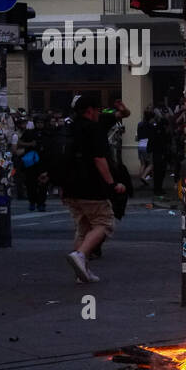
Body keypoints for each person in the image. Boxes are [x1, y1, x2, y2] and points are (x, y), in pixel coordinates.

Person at [61, 93, 127, 283]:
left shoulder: (70, 128)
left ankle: (82, 272)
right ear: (90, 110)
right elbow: (99, 159)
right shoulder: (93, 129)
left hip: (70, 185)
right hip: (90, 184)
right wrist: (112, 184)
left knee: (83, 227)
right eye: (98, 110)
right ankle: (80, 256)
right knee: (104, 223)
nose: (99, 113)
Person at [16, 115, 49, 212]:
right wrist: (30, 144)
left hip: (43, 162)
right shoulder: (29, 133)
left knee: (43, 184)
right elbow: (19, 143)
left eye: (41, 123)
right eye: (38, 122)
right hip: (31, 162)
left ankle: (41, 203)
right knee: (31, 184)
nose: (40, 124)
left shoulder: (47, 133)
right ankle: (32, 202)